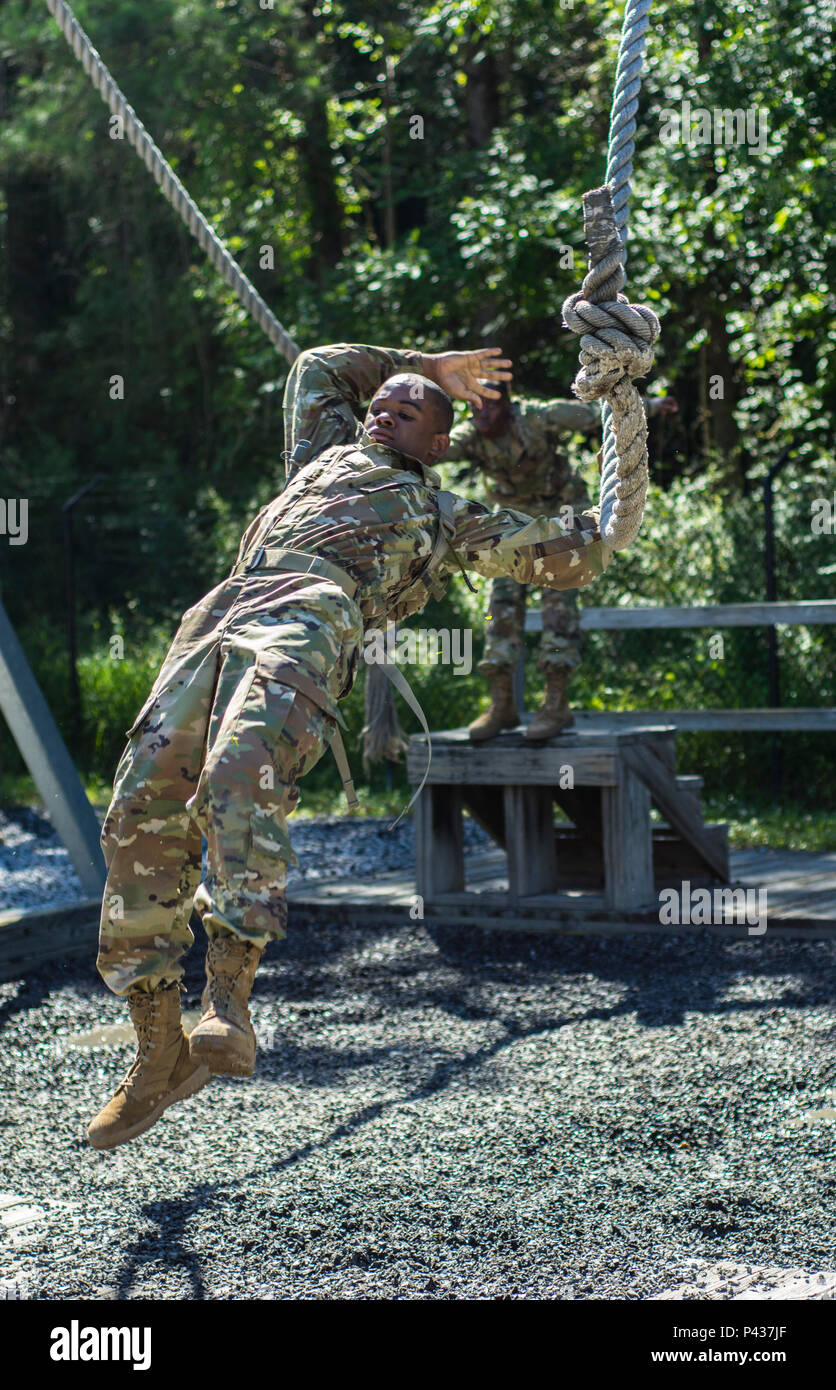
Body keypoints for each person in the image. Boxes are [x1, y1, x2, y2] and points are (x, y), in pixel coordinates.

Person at [88, 343, 612, 1151]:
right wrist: (429, 366)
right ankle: (157, 1045)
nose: (385, 410)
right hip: (222, 608)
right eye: (383, 402)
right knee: (138, 804)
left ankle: (226, 995)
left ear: (438, 444)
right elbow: (320, 366)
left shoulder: (442, 513)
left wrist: (620, 499)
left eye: (408, 409)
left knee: (240, 771)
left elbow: (566, 553)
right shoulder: (323, 454)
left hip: (311, 607)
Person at [444, 382, 677, 739]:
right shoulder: (472, 434)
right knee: (500, 608)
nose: (481, 416)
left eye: (489, 407)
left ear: (508, 404)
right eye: (474, 408)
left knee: (558, 605)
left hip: (560, 523)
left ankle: (556, 703)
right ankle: (501, 703)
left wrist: (651, 404)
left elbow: (591, 415)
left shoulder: (538, 417)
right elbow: (440, 448)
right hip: (514, 532)